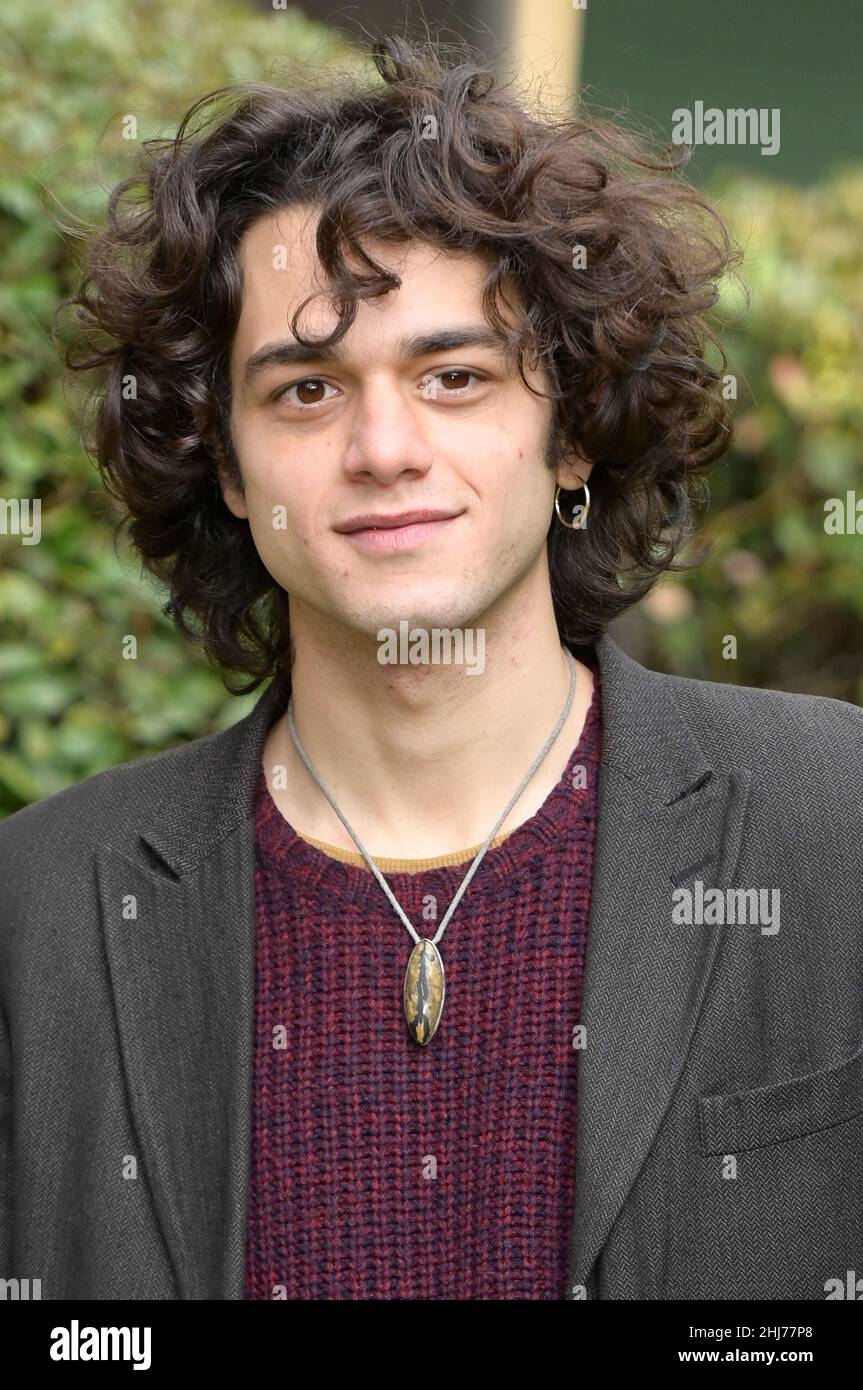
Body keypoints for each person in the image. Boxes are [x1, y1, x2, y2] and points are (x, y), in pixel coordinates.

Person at [1, 35, 860, 1302]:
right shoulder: (39, 910)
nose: (384, 447)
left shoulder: (833, 821)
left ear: (569, 431)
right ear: (227, 468)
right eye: (304, 391)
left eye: (453, 376)